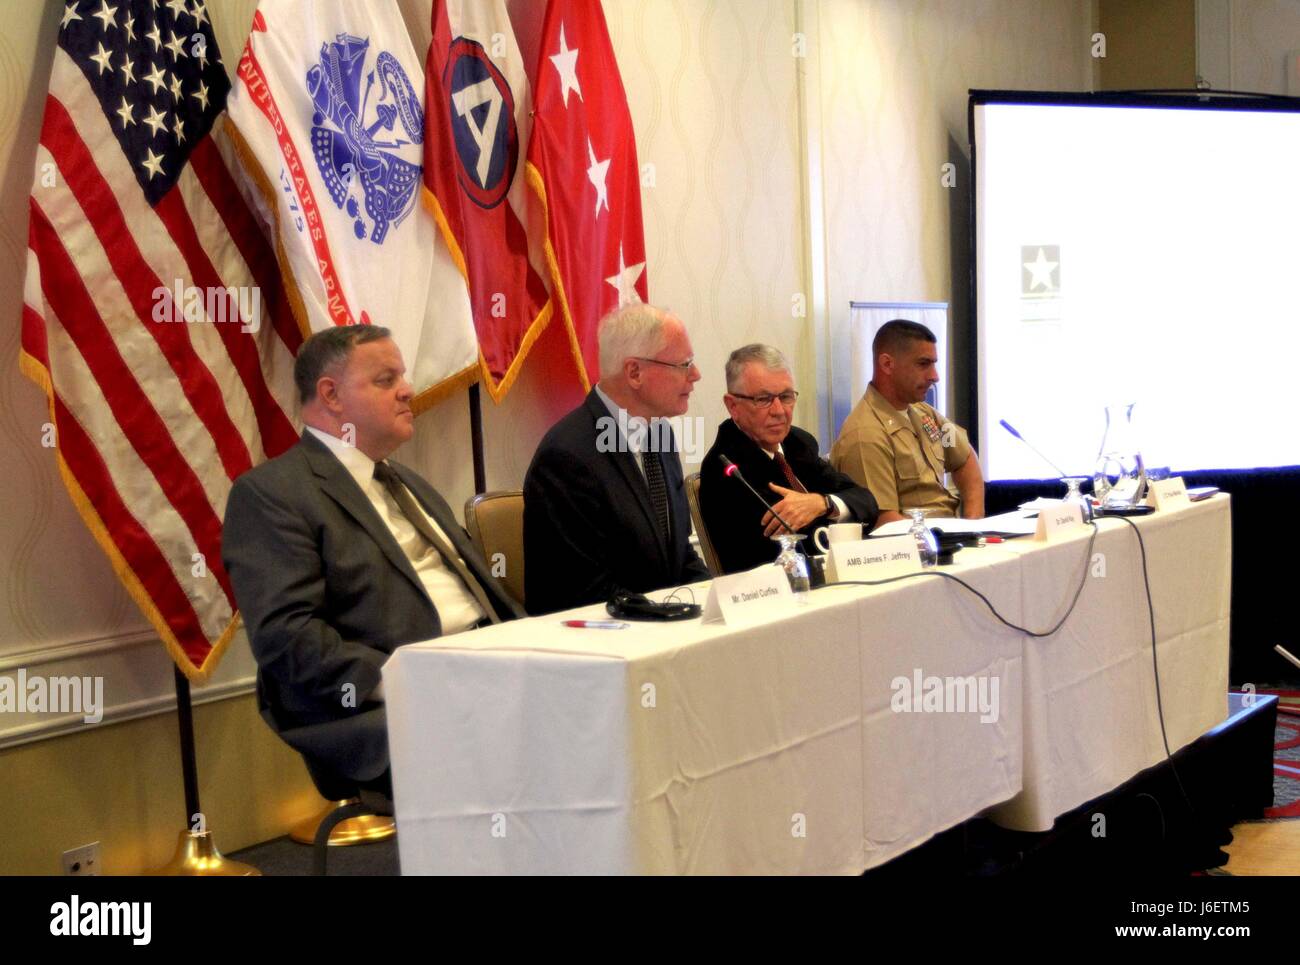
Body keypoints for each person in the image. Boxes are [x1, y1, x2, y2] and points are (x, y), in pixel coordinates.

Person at [222, 326, 522, 794]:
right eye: (386, 380)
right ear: (331, 395)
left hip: (489, 666)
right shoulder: (272, 494)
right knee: (543, 742)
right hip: (386, 702)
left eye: (402, 376)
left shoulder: (408, 482)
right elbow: (288, 640)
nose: (407, 389)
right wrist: (413, 680)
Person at [524, 304, 710, 614]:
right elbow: (583, 592)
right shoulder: (567, 457)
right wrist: (677, 617)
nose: (696, 375)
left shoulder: (659, 433)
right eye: (683, 364)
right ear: (634, 372)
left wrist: (718, 601)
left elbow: (679, 557)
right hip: (600, 640)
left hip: (661, 630)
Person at [699, 344, 879, 573]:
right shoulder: (726, 466)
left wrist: (822, 503)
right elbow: (785, 549)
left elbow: (866, 502)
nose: (779, 410)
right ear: (733, 405)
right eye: (763, 399)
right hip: (773, 593)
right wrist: (837, 521)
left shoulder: (798, 443)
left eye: (785, 397)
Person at [830, 319, 984, 524]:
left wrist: (973, 524)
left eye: (934, 364)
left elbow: (964, 458)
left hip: (950, 537)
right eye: (923, 364)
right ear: (887, 364)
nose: (934, 376)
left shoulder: (924, 413)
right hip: (914, 547)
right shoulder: (866, 435)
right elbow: (884, 520)